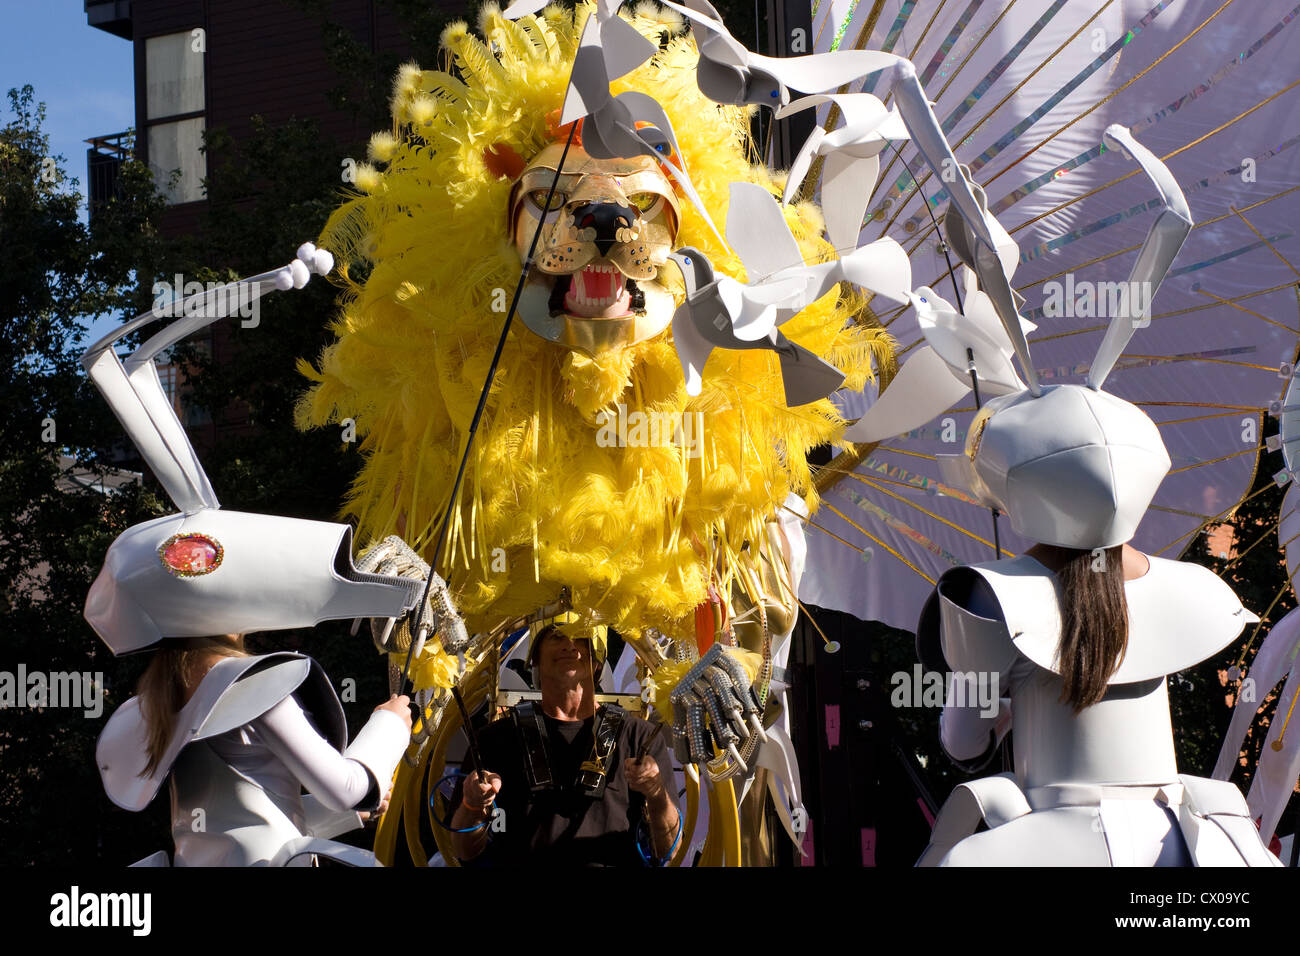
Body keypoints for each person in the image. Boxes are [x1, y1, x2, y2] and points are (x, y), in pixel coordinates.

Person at [915, 384, 1280, 866]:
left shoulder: (989, 596)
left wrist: (1004, 710)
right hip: (1181, 836)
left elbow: (962, 741)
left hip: (1047, 840)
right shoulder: (1192, 586)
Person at [98, 632, 414, 867]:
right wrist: (389, 724)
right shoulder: (254, 684)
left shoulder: (158, 701)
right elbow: (347, 788)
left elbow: (227, 816)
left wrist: (348, 815)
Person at [450, 623, 681, 866]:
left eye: (581, 638)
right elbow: (464, 850)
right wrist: (472, 804)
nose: (569, 645)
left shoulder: (638, 737)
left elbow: (669, 850)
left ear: (598, 660)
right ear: (534, 659)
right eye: (556, 636)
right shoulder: (493, 739)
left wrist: (656, 794)